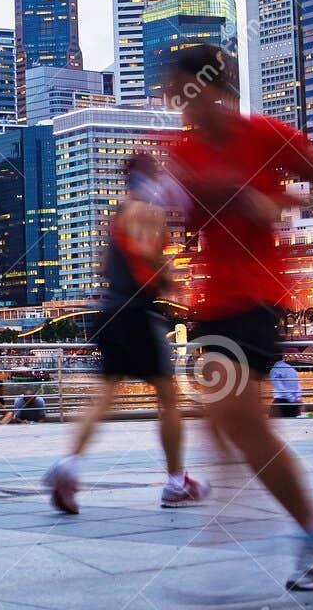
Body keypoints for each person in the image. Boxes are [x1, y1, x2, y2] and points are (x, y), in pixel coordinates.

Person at [164, 42, 313, 591]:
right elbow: (177, 216)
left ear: (216, 91)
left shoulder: (266, 136)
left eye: (184, 92)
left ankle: (312, 529)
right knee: (224, 416)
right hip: (209, 303)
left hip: (257, 296)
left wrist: (276, 204)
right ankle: (248, 510)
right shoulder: (183, 151)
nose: (178, 103)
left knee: (243, 422)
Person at [42, 154, 208, 515]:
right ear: (152, 177)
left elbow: (104, 266)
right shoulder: (147, 212)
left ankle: (68, 466)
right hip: (139, 312)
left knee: (104, 395)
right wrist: (171, 282)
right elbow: (148, 255)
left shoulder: (117, 214)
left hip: (110, 310)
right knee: (168, 397)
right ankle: (177, 483)